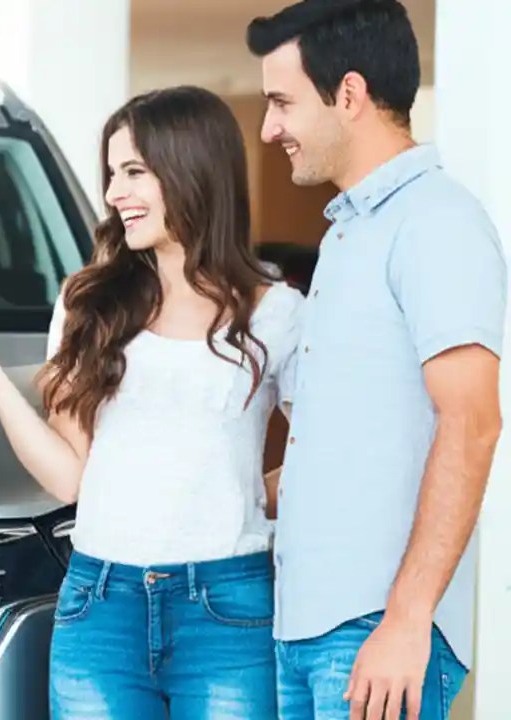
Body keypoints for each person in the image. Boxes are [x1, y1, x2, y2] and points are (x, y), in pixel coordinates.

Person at [0, 85, 304, 719]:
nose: (115, 193)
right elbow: (74, 478)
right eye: (113, 173)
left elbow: (328, 450)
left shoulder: (276, 313)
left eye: (135, 172)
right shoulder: (87, 303)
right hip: (101, 604)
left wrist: (240, 496)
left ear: (194, 171)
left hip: (228, 609)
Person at [246, 1, 506, 718]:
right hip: (307, 626)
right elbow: (342, 445)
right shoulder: (347, 236)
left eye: (282, 103)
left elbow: (474, 424)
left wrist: (407, 618)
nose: (270, 129)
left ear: (350, 95)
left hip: (374, 633)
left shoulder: (436, 223)